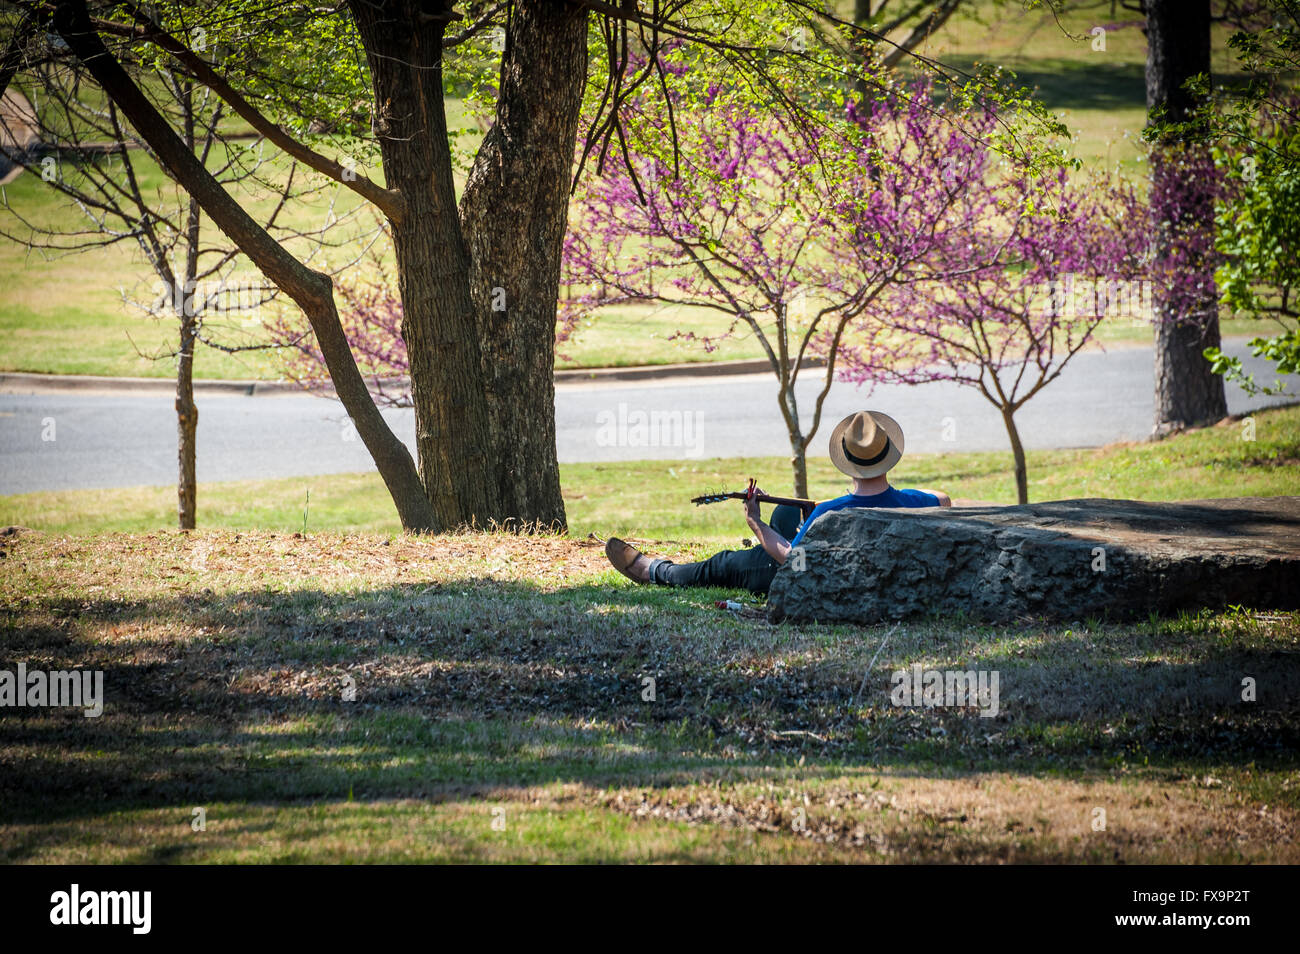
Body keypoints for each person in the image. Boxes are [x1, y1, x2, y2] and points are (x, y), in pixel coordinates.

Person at [605, 409, 952, 595]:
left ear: (846, 459)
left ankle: (655, 572)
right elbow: (943, 499)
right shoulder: (915, 502)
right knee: (786, 511)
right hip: (872, 567)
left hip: (808, 577)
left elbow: (790, 558)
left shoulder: (828, 514)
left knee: (726, 564)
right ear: (888, 456)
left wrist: (755, 522)